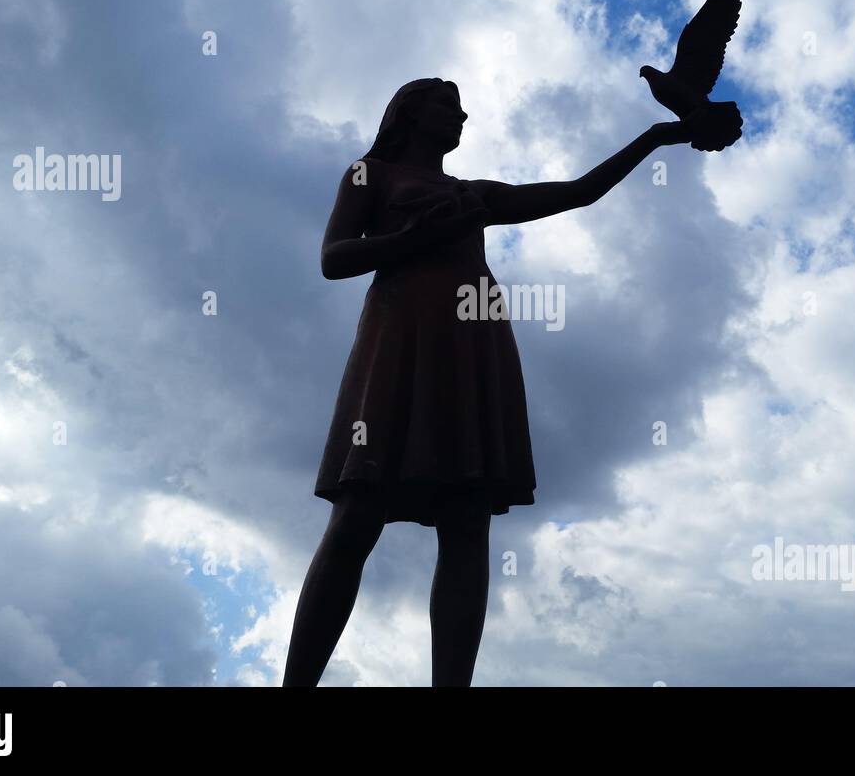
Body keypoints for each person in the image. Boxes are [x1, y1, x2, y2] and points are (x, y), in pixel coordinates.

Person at [283, 78, 741, 686]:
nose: (462, 115)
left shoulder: (472, 195)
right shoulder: (370, 175)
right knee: (357, 512)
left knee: (468, 519)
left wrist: (658, 136)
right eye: (447, 104)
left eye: (462, 106)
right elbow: (334, 258)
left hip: (473, 344)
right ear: (408, 113)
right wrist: (413, 238)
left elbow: (579, 192)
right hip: (400, 341)